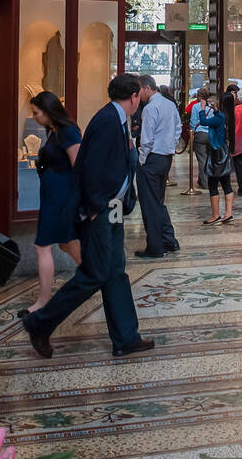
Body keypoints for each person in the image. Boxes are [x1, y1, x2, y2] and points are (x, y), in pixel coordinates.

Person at [20, 74, 153, 361]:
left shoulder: (117, 119)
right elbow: (89, 167)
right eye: (137, 99)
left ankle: (126, 338)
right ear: (132, 98)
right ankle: (40, 323)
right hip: (101, 211)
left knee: (115, 271)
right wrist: (94, 209)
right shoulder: (107, 121)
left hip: (113, 207)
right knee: (94, 274)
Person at [19, 92, 81, 315]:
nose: (33, 117)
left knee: (42, 246)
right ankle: (95, 277)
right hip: (54, 193)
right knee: (67, 243)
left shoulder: (67, 131)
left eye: (36, 112)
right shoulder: (56, 130)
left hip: (60, 196)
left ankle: (43, 302)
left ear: (48, 111)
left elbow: (78, 166)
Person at [135, 75, 182, 258]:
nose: (138, 95)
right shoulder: (169, 104)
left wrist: (142, 159)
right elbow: (178, 128)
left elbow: (146, 139)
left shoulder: (150, 108)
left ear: (147, 88)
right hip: (166, 157)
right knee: (158, 200)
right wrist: (170, 144)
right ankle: (169, 240)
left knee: (149, 204)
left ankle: (155, 247)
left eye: (139, 91)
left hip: (152, 158)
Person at [202, 91, 235, 225]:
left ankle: (215, 215)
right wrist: (215, 110)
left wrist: (203, 108)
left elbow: (203, 121)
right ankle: (228, 213)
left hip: (217, 152)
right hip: (224, 150)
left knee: (213, 183)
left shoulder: (219, 117)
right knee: (226, 183)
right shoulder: (228, 116)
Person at [187, 86, 211, 189]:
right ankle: (203, 180)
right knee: (209, 158)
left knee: (202, 159)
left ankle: (205, 183)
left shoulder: (196, 106)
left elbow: (193, 121)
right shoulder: (211, 107)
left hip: (200, 134)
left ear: (200, 96)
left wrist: (192, 133)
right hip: (210, 134)